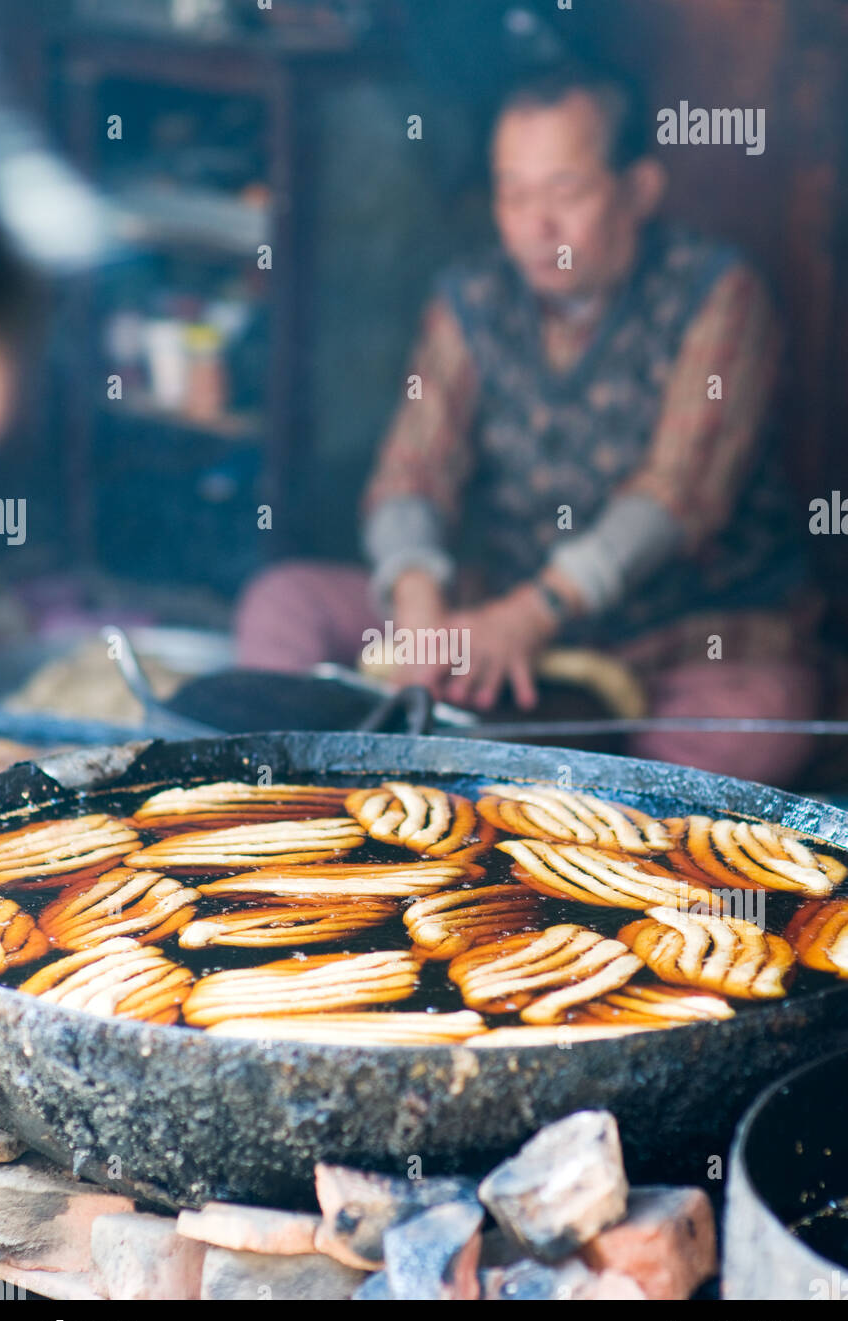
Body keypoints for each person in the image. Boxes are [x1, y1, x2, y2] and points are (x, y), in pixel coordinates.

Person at [237, 59, 821, 786]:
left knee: (764, 716)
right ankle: (320, 799)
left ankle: (586, 813)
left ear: (637, 189)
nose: (536, 226)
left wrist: (535, 612)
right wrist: (416, 593)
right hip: (496, 622)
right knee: (283, 601)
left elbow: (678, 494)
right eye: (512, 194)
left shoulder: (717, 292)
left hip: (677, 639)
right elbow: (413, 469)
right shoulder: (471, 298)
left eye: (565, 191)